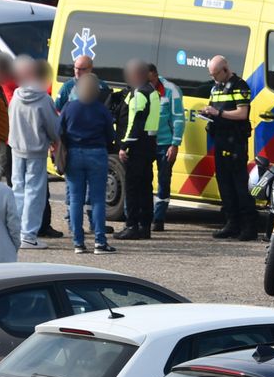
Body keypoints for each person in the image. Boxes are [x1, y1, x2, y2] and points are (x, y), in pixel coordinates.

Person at [201, 55, 258, 241]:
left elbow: (242, 113)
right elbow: (214, 108)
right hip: (221, 139)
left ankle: (249, 227)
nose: (213, 78)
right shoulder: (215, 87)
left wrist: (219, 113)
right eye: (211, 75)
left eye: (215, 74)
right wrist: (208, 112)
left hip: (235, 142)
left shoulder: (240, 86)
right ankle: (231, 223)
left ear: (225, 69)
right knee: (224, 185)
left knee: (239, 185)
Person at [60, 73, 116, 254]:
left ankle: (78, 242)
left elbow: (59, 131)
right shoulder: (101, 110)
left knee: (76, 199)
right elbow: (111, 135)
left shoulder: (69, 108)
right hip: (97, 154)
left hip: (74, 154)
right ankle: (100, 241)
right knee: (98, 199)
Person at [8, 56, 60, 249]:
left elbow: (10, 118)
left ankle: (16, 231)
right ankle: (28, 235)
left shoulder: (16, 95)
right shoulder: (43, 99)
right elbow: (53, 126)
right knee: (34, 192)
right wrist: (55, 140)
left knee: (17, 190)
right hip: (36, 149)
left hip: (17, 147)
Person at [115, 59, 160, 240]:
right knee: (145, 188)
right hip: (149, 144)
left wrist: (125, 145)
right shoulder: (153, 91)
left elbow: (136, 120)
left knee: (133, 188)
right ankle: (145, 226)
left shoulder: (140, 93)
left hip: (138, 146)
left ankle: (132, 226)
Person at [148, 63, 185, 232]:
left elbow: (178, 119)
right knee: (144, 181)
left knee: (163, 181)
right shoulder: (142, 89)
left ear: (155, 75)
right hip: (146, 144)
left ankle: (159, 218)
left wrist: (175, 144)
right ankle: (145, 216)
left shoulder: (171, 90)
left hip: (165, 144)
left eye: (150, 80)